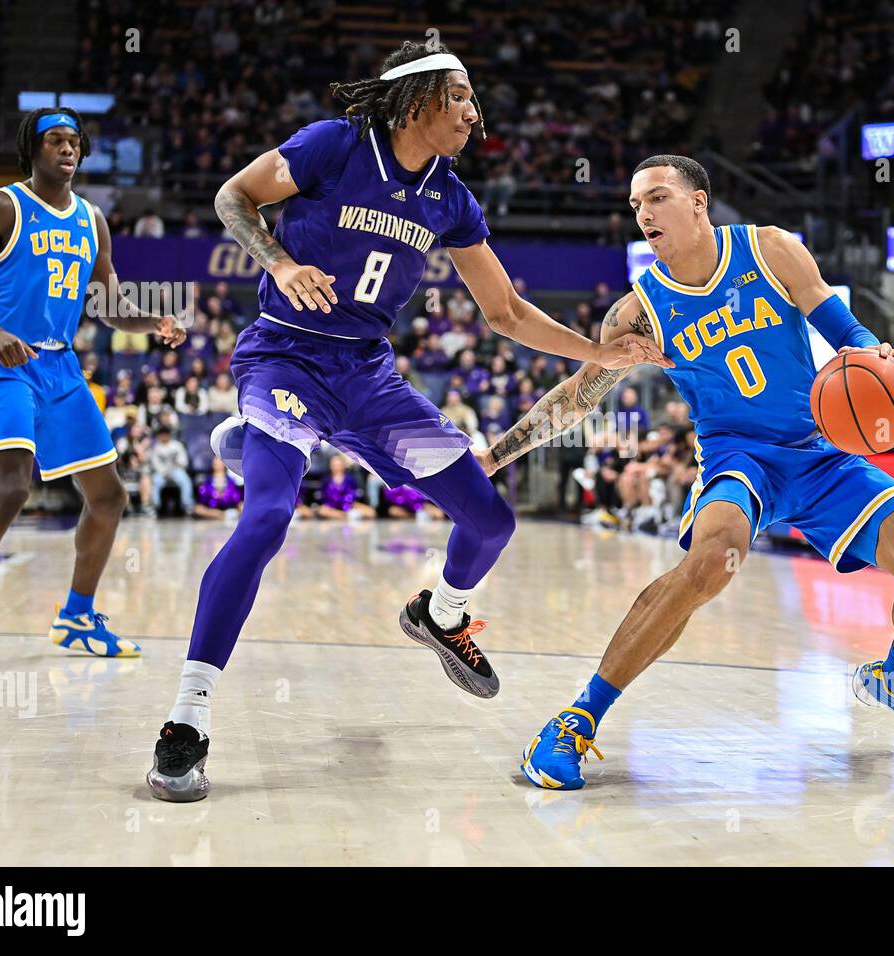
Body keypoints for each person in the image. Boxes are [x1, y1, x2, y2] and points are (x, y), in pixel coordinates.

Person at [146, 41, 669, 801]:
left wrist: (598, 352)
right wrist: (281, 263)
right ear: (416, 96)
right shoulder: (334, 144)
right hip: (284, 357)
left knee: (490, 520)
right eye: (460, 95)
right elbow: (234, 197)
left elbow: (506, 311)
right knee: (265, 517)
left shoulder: (451, 197)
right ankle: (186, 718)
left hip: (367, 376)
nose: (473, 112)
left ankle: (441, 612)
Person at [482, 155, 894, 790]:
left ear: (698, 202)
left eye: (657, 198)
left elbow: (838, 325)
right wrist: (495, 455)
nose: (645, 214)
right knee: (711, 563)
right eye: (636, 206)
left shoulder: (770, 250)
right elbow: (578, 397)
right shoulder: (638, 313)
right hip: (739, 460)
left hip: (820, 452)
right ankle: (576, 720)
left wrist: (875, 351)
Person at [0, 108, 186, 679]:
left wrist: (155, 323)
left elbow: (111, 302)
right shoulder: (2, 207)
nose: (67, 150)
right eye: (55, 141)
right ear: (34, 149)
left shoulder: (92, 220)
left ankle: (76, 615)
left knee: (109, 496)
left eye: (74, 141)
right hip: (7, 365)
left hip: (63, 369)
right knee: (9, 492)